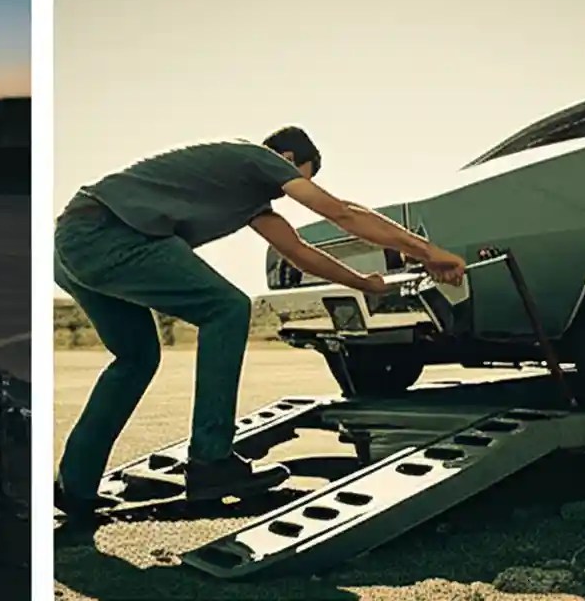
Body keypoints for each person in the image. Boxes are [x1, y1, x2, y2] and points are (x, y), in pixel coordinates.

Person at [53, 127, 466, 523]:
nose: (297, 190)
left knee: (136, 357)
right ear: (288, 160)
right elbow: (341, 212)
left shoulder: (247, 197)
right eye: (303, 177)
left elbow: (300, 253)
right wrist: (427, 251)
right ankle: (211, 462)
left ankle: (76, 484)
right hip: (108, 234)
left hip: (74, 241)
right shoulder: (258, 157)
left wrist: (364, 284)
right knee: (228, 309)